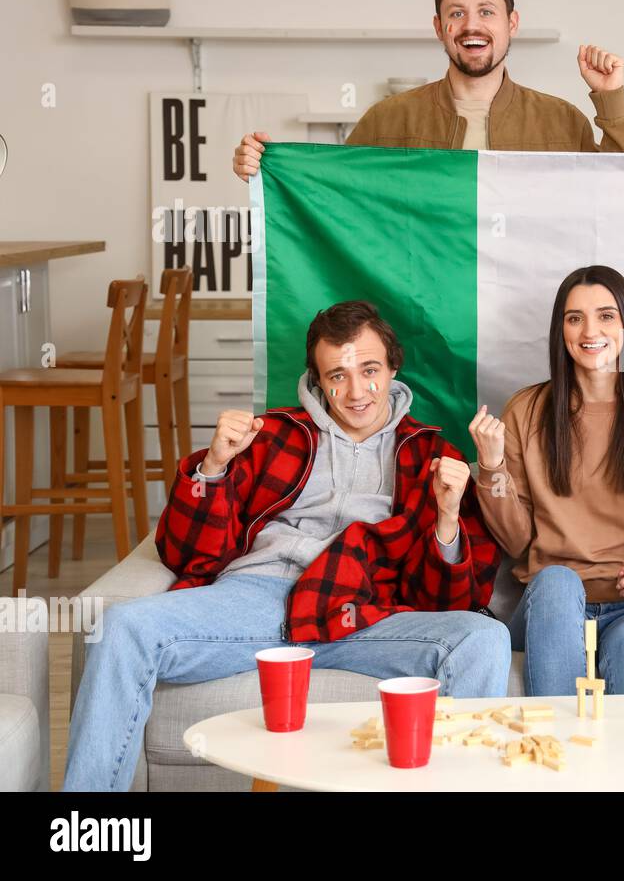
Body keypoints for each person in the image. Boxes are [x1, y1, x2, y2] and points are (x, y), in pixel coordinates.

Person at [64, 301, 509, 791]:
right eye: (337, 376)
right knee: (121, 626)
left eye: (370, 370)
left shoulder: (433, 456)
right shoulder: (270, 435)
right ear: (318, 381)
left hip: (359, 613)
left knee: (483, 637)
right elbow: (186, 556)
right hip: (257, 599)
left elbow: (446, 600)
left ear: (393, 368)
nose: (357, 391)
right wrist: (212, 468)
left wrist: (448, 518)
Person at [469, 265, 624, 696]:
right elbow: (516, 542)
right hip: (552, 607)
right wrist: (491, 467)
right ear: (561, 330)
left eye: (605, 316)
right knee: (557, 580)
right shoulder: (526, 410)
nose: (589, 330)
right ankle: (562, 751)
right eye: (574, 318)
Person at [231, 0, 624, 178]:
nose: (471, 25)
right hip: (421, 319)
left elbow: (623, 185)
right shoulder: (387, 118)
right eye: (456, 13)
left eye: (486, 12)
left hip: (531, 313)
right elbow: (332, 192)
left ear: (511, 24)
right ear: (439, 28)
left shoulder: (562, 121)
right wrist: (267, 169)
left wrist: (611, 96)